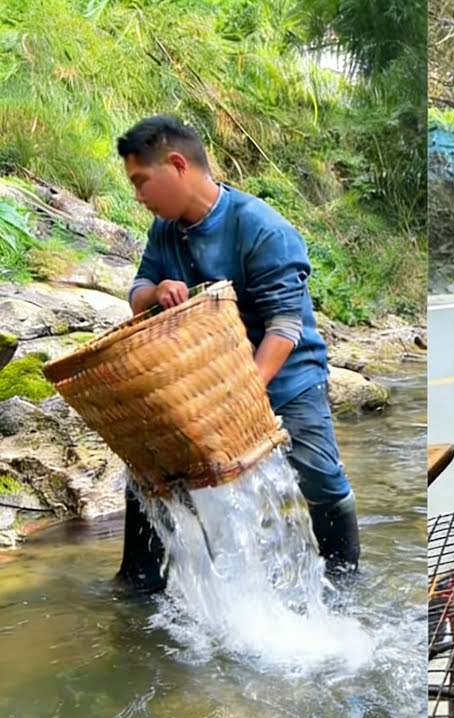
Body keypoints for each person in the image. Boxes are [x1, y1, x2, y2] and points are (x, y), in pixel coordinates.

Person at [114, 114, 360, 592]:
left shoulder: (261, 228)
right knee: (147, 469)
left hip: (285, 377)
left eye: (141, 182)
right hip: (200, 383)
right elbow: (138, 289)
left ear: (178, 165)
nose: (138, 196)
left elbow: (285, 328)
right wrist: (155, 291)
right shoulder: (165, 231)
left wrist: (243, 394)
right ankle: (138, 582)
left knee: (318, 476)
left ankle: (343, 581)